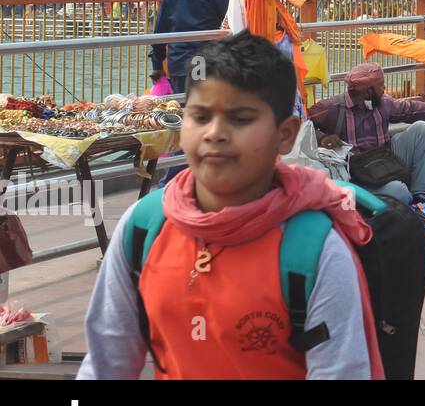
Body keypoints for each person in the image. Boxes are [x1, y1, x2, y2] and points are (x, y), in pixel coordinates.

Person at [79, 33, 381, 379]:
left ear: (285, 134)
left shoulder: (313, 250)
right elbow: (105, 364)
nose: (215, 133)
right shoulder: (144, 227)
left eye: (240, 119)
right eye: (200, 116)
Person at [308, 62, 425, 206]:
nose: (384, 89)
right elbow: (302, 121)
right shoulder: (332, 108)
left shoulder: (383, 103)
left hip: (386, 158)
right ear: (369, 91)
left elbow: (411, 109)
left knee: (423, 129)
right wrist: (321, 137)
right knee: (399, 193)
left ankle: (420, 193)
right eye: (381, 86)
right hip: (358, 173)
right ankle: (384, 194)